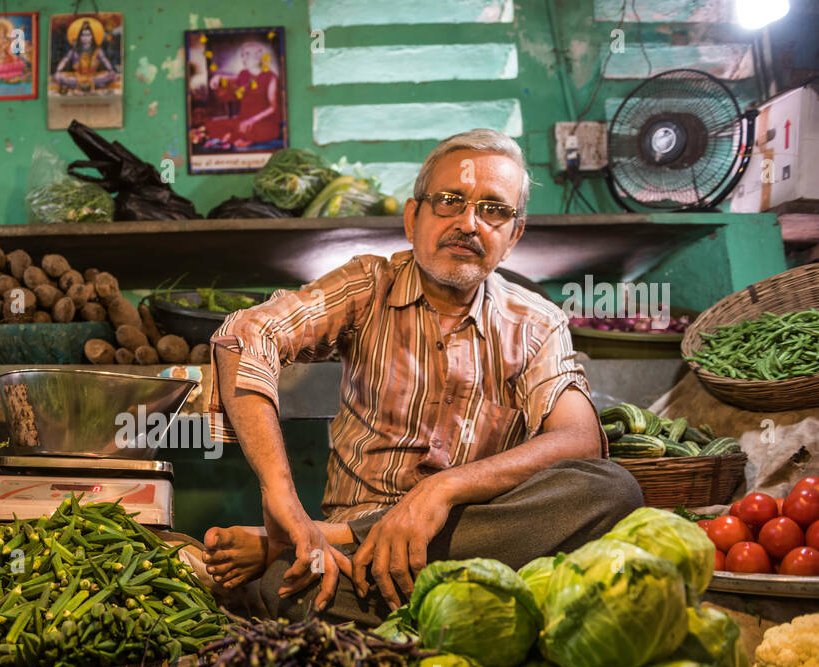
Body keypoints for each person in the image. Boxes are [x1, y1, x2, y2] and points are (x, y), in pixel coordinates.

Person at [203, 129, 643, 624]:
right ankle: (370, 563)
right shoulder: (368, 285)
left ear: (514, 234)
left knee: (612, 490)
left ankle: (342, 543)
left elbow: (580, 437)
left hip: (467, 543)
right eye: (449, 201)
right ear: (414, 218)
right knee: (283, 585)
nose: (468, 224)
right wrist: (279, 494)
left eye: (493, 209)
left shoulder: (537, 323)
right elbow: (245, 335)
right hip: (367, 567)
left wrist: (441, 490)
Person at [53, 17, 117, 93]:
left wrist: (111, 70)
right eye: (83, 35)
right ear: (79, 37)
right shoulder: (74, 50)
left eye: (88, 35)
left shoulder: (97, 50)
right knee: (58, 76)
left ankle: (89, 84)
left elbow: (104, 60)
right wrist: (58, 70)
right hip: (77, 76)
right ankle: (96, 84)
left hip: (93, 76)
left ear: (92, 36)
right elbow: (65, 59)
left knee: (111, 75)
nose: (86, 38)